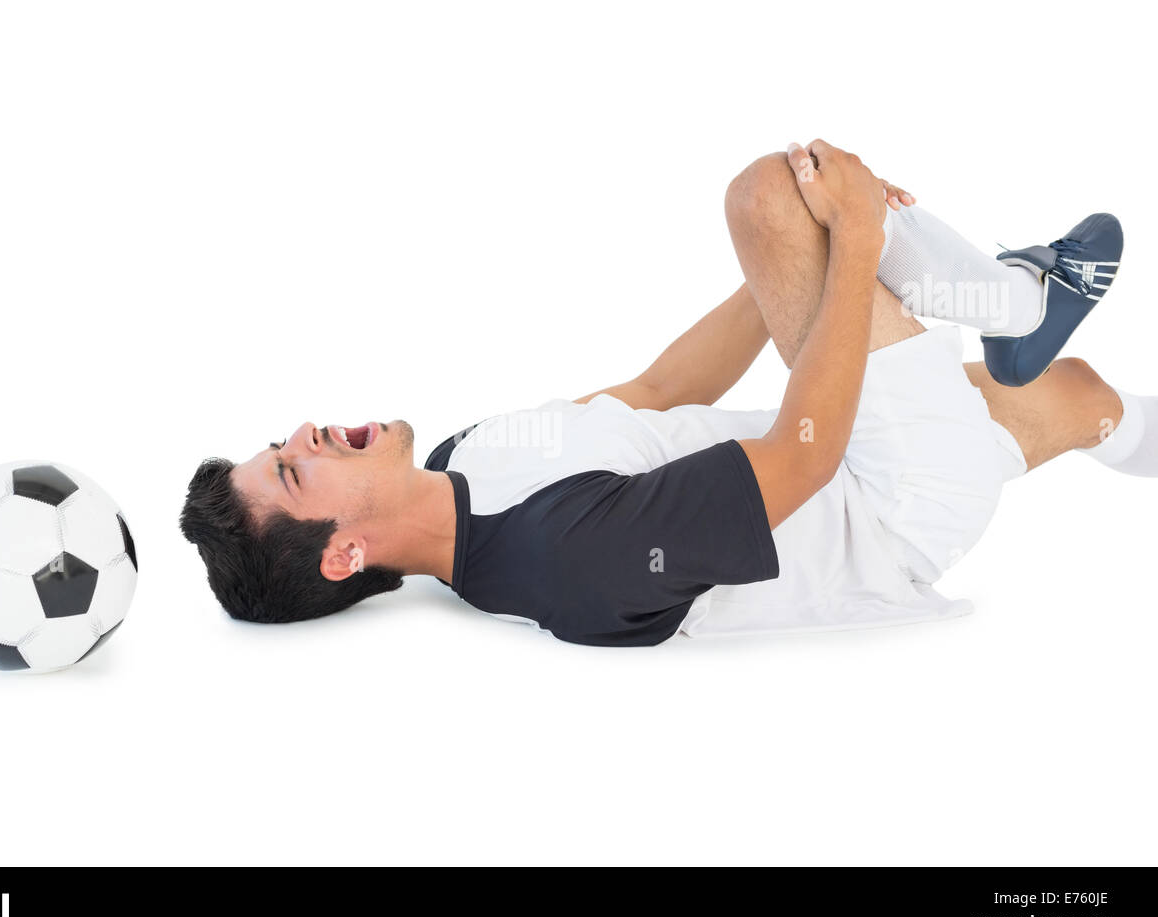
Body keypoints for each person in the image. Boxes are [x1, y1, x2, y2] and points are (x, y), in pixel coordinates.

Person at [180, 141, 1152, 645]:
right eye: (293, 468)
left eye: (283, 440)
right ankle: (1018, 300)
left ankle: (1031, 316)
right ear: (346, 551)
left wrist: (797, 269)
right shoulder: (558, 561)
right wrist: (848, 249)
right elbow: (799, 461)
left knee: (1080, 394)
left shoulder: (462, 457)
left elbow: (658, 387)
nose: (305, 433)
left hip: (853, 447)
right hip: (883, 500)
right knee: (772, 191)